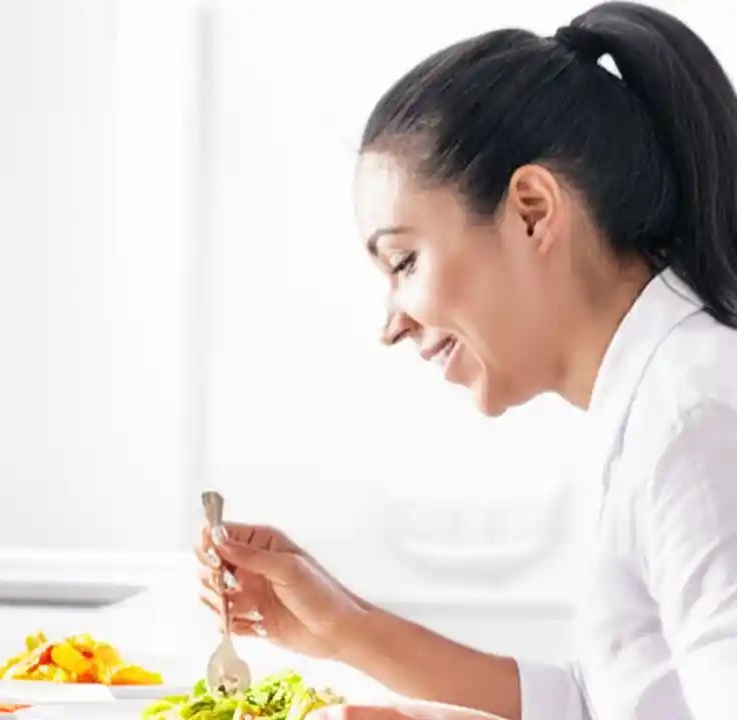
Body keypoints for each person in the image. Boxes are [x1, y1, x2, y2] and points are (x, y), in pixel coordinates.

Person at [197, 2, 737, 719]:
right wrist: (342, 627)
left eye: (404, 261)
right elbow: (607, 702)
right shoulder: (656, 404)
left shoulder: (693, 422)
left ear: (533, 212)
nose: (391, 324)